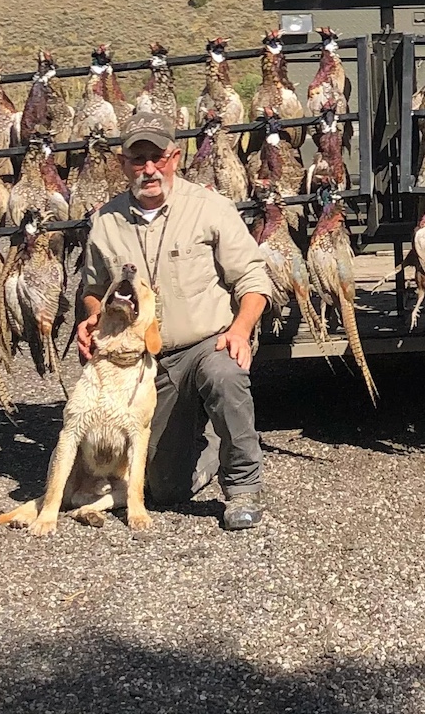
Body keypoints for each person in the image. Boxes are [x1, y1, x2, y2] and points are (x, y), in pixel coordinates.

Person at [74, 106, 275, 530]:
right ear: (123, 164)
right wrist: (92, 317)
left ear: (175, 157)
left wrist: (241, 330)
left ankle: (243, 487)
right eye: (138, 159)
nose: (149, 169)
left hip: (205, 343)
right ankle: (208, 446)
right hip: (143, 360)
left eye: (157, 158)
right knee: (164, 489)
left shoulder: (210, 208)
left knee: (225, 374)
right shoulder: (106, 222)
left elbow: (253, 278)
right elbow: (93, 289)